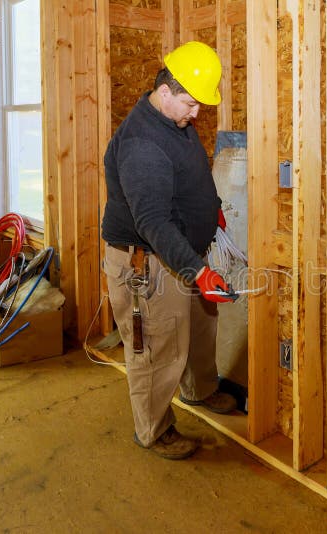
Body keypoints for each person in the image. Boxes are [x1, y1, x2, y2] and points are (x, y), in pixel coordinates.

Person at [101, 41, 238, 460]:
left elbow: (190, 175)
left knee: (199, 329)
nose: (196, 113)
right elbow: (153, 223)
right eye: (191, 104)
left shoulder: (173, 120)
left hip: (182, 255)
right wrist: (198, 271)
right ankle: (154, 429)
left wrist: (211, 209)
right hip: (151, 263)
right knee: (157, 349)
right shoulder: (142, 145)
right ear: (165, 91)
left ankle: (200, 389)